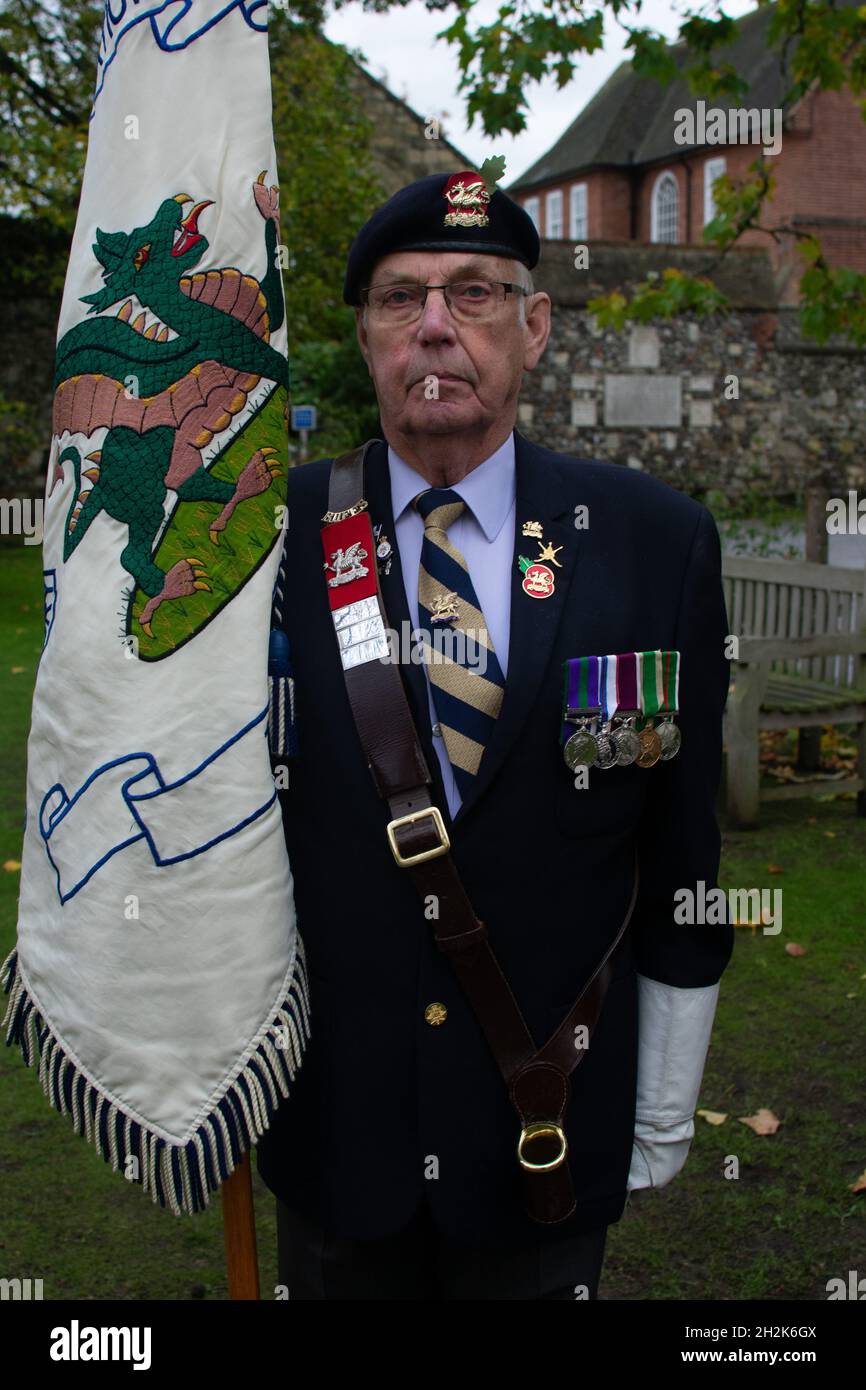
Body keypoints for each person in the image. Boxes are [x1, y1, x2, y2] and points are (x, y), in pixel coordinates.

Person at [256, 168, 733, 1300]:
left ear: (534, 326)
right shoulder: (261, 551)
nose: (432, 324)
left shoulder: (650, 543)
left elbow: (680, 849)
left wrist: (662, 1099)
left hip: (545, 1122)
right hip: (334, 1128)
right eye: (398, 297)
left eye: (472, 293)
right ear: (367, 335)